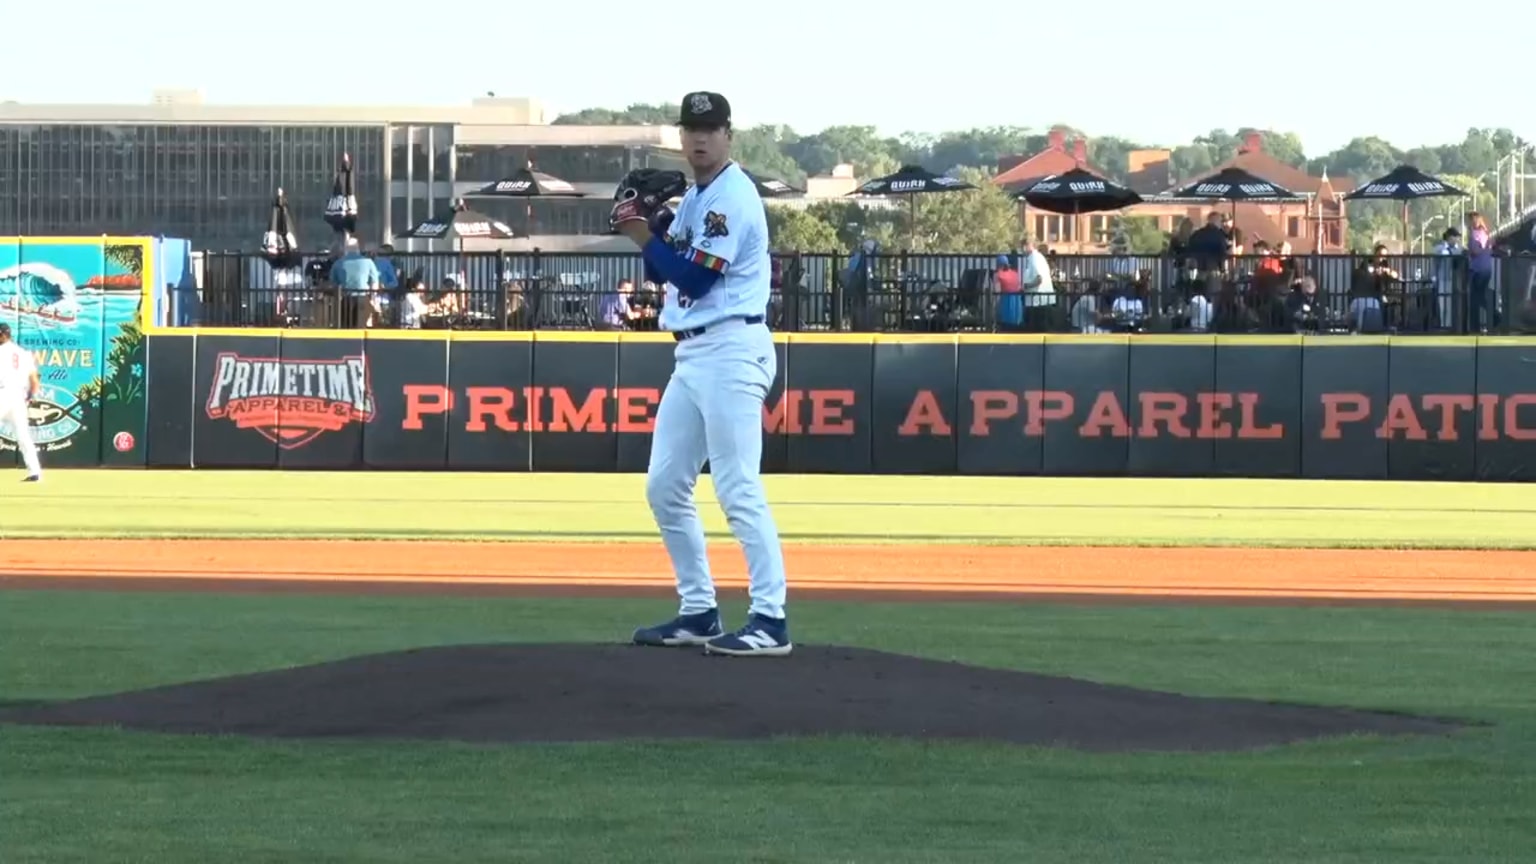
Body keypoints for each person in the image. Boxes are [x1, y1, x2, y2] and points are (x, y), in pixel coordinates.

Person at [608, 92, 791, 657]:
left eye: (710, 128)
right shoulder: (694, 198)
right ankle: (699, 610)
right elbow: (670, 261)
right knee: (665, 486)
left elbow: (696, 280)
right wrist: (656, 226)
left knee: (737, 487)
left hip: (733, 345)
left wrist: (641, 231)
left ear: (728, 135)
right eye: (691, 127)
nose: (699, 138)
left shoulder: (732, 196)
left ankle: (770, 618)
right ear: (681, 135)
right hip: (692, 354)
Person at [0, 323, 43, 482]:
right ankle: (35, 472)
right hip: (18, 396)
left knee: (24, 435)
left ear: (3, 335)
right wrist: (31, 396)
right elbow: (34, 379)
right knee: (23, 436)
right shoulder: (23, 353)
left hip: (3, 393)